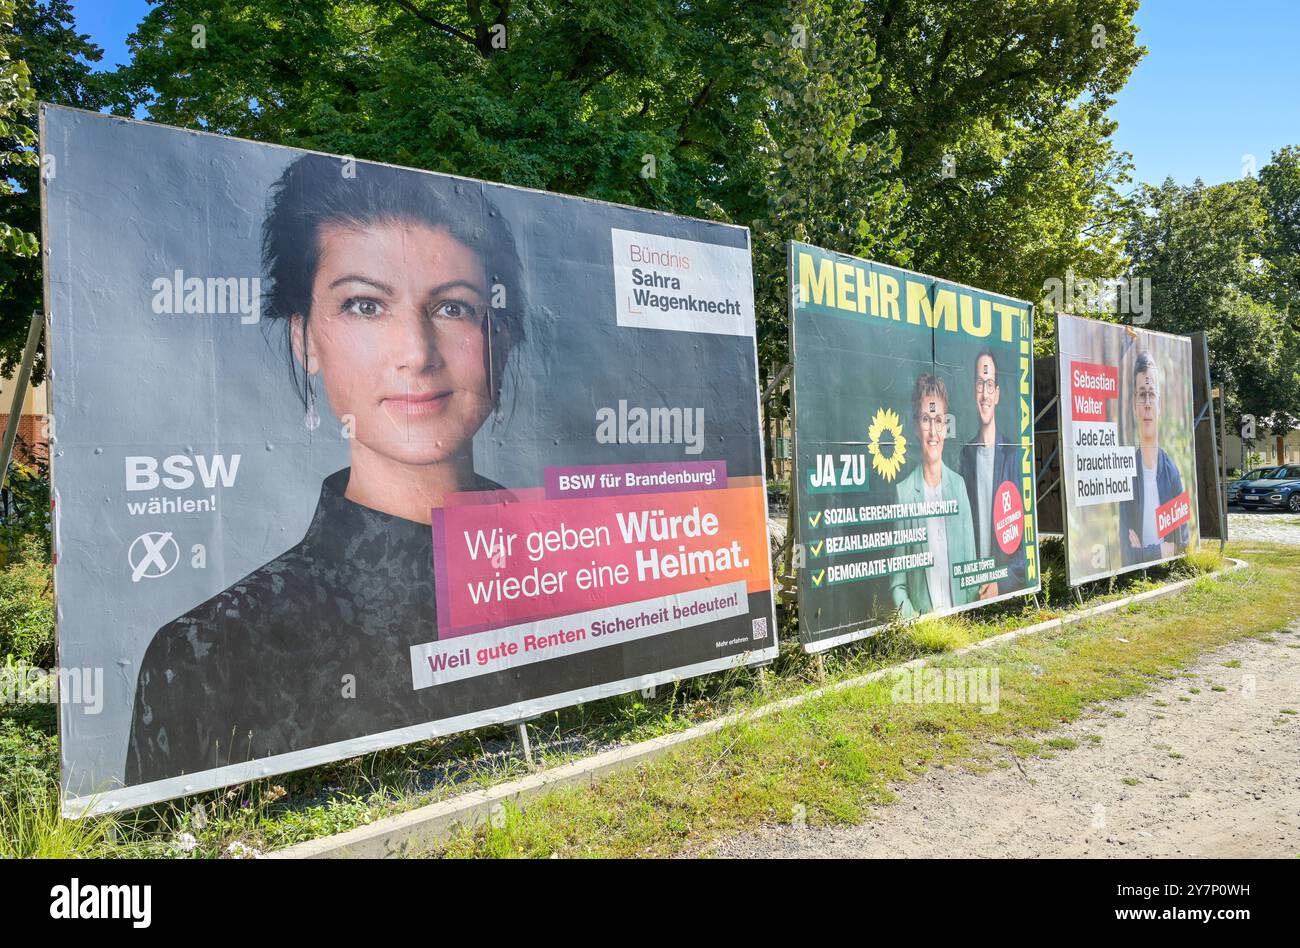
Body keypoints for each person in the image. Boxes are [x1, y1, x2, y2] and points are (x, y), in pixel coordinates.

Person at [126, 154, 525, 784]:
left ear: (497, 334)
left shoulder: (582, 572)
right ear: (304, 338)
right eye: (365, 305)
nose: (417, 355)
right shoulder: (210, 651)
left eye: (452, 308)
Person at [891, 373, 977, 618]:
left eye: (938, 420)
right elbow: (898, 584)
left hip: (962, 624)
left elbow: (970, 564)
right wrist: (916, 623)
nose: (932, 431)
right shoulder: (904, 492)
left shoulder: (959, 486)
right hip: (925, 628)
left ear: (945, 426)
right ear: (916, 426)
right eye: (926, 420)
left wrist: (970, 618)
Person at [958, 348, 1027, 599]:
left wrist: (1002, 583)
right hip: (973, 587)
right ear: (973, 391)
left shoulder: (1014, 456)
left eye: (990, 385)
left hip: (1000, 586)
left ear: (997, 394)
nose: (984, 394)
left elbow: (1024, 543)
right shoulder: (965, 456)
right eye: (979, 384)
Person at [1119, 350, 1189, 566]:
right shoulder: (1127, 474)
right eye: (1142, 394)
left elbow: (1182, 545)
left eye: (1152, 394)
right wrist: (1159, 551)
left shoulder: (1171, 472)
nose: (1147, 403)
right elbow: (1127, 555)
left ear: (1160, 405)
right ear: (1134, 405)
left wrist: (1145, 552)